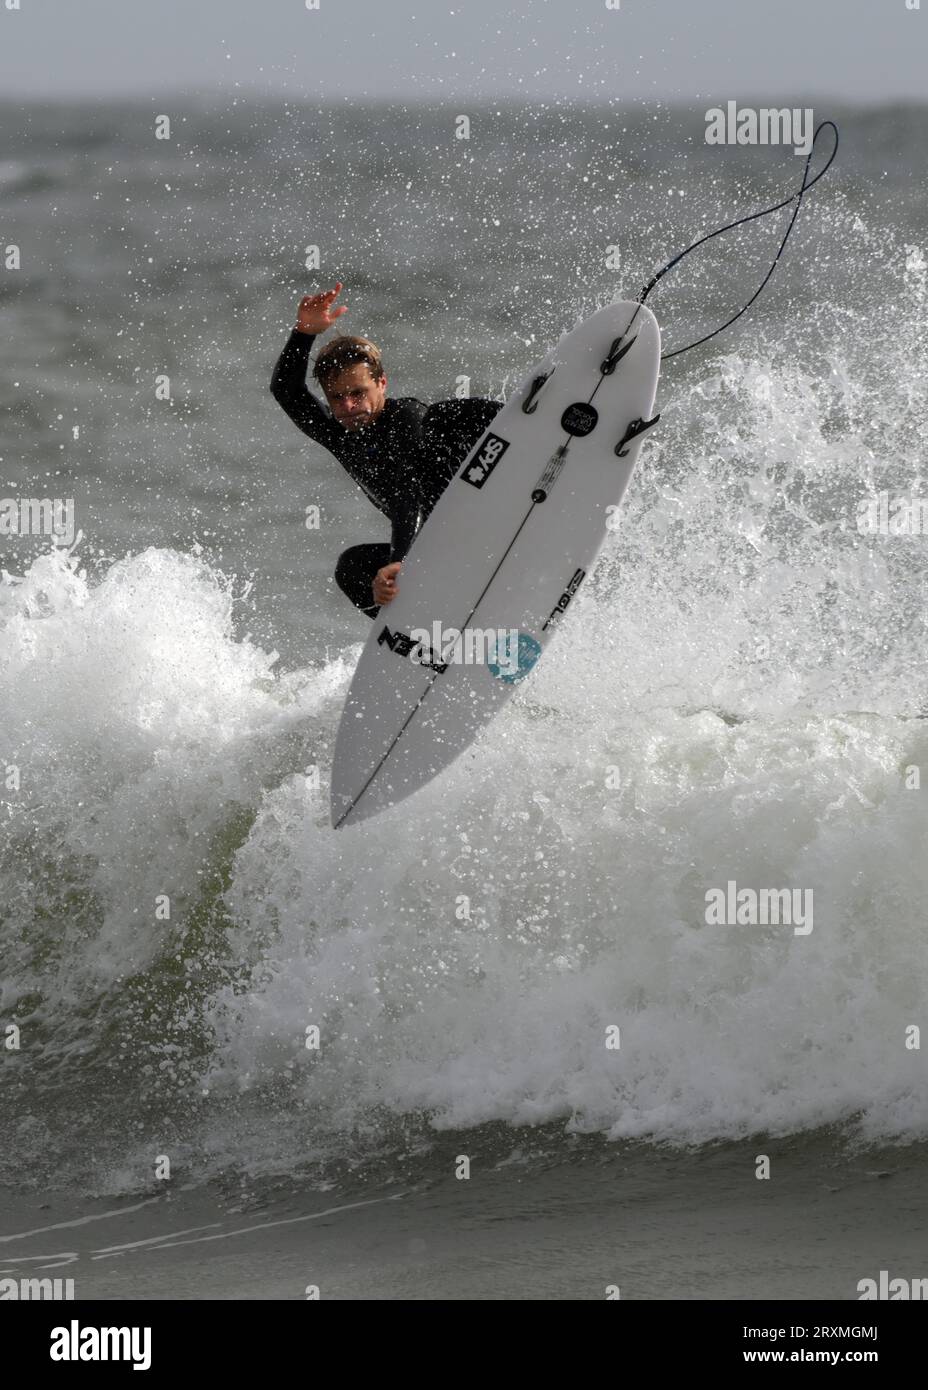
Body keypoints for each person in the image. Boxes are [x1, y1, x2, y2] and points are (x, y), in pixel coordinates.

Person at [270, 282, 502, 617]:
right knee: (352, 568)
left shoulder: (405, 417)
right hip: (437, 548)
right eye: (337, 397)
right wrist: (304, 332)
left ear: (381, 383)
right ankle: (412, 630)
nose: (348, 405)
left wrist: (399, 562)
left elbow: (408, 492)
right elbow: (287, 391)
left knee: (449, 415)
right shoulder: (341, 434)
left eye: (358, 392)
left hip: (483, 520)